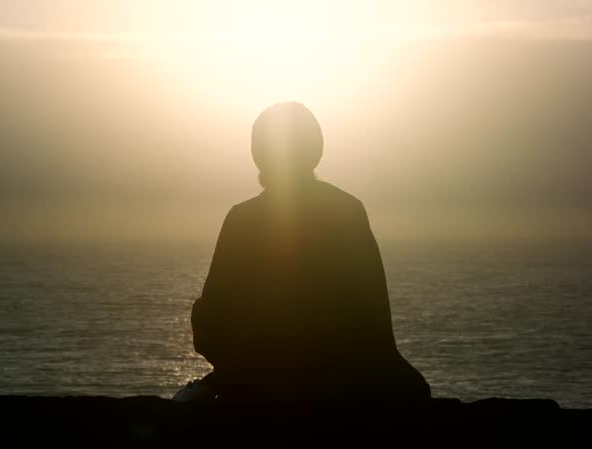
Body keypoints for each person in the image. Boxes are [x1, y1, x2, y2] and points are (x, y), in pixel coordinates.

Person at [176, 102, 429, 404]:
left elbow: (211, 323)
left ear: (257, 155)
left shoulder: (242, 219)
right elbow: (375, 322)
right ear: (316, 150)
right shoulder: (347, 211)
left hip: (257, 389)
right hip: (340, 387)